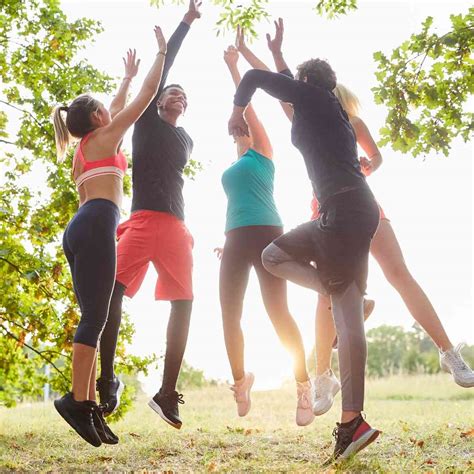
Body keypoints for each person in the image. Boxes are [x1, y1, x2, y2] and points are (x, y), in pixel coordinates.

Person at [228, 20, 381, 461]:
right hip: (346, 210)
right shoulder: (322, 107)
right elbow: (284, 92)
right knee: (274, 255)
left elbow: (260, 82)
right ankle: (341, 296)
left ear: (307, 83)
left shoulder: (314, 98)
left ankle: (352, 422)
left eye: (296, 79)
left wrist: (238, 109)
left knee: (348, 320)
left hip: (345, 211)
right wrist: (277, 52)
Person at [311, 83, 474, 416]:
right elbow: (282, 88)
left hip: (364, 205)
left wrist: (367, 165)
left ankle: (448, 353)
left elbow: (377, 156)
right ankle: (323, 376)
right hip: (326, 209)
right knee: (325, 293)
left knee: (400, 274)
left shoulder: (353, 125)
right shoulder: (308, 128)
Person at [52, 29, 167, 447]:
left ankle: (85, 404)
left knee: (94, 320)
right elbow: (146, 96)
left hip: (79, 226)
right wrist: (160, 53)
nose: (110, 109)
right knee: (95, 319)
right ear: (98, 119)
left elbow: (117, 105)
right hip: (100, 222)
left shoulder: (85, 149)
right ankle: (75, 401)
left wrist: (124, 78)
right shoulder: (106, 136)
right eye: (104, 109)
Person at [96, 0, 202, 431]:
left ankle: (166, 393)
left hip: (175, 227)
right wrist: (184, 24)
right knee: (109, 293)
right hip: (139, 223)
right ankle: (106, 381)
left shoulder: (187, 139)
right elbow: (164, 70)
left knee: (185, 303)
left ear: (185, 108)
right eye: (169, 91)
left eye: (183, 94)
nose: (176, 94)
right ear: (158, 101)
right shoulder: (146, 124)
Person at [218, 41, 313, 426]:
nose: (241, 131)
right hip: (235, 238)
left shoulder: (265, 155)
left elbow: (250, 105)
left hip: (269, 233)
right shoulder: (232, 167)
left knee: (278, 312)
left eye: (245, 129)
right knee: (229, 313)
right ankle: (241, 382)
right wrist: (223, 240)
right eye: (238, 131)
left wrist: (233, 66)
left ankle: (303, 388)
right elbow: (233, 207)